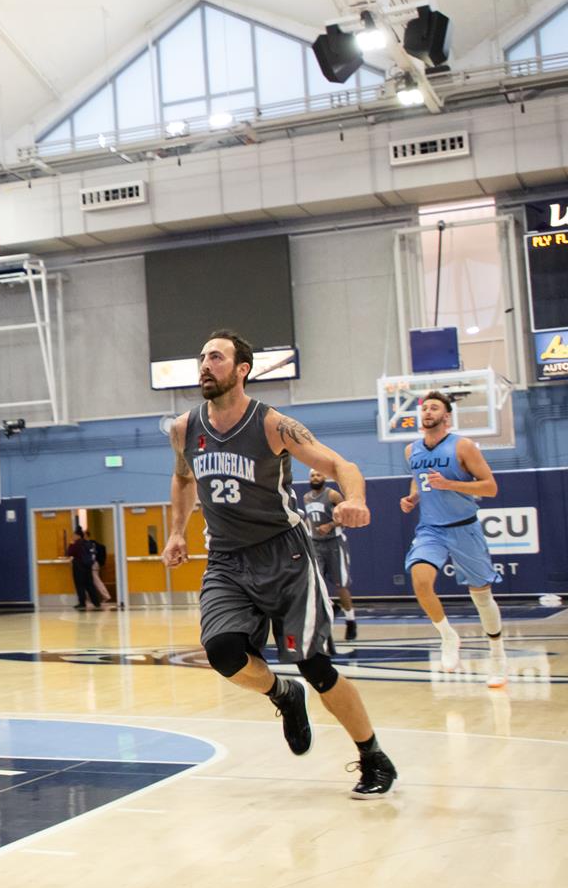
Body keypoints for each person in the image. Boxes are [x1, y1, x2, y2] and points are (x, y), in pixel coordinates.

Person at [162, 330, 398, 799]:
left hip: (284, 555)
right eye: (202, 357)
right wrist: (175, 531)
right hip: (227, 559)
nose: (205, 365)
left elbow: (340, 464)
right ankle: (282, 695)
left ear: (241, 369)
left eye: (216, 357)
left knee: (315, 665)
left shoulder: (273, 425)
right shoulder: (184, 428)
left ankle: (373, 756)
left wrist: (355, 499)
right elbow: (183, 477)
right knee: (223, 654)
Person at [400, 390, 506, 685]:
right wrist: (412, 498)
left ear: (446, 416)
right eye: (425, 408)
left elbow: (490, 488)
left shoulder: (463, 446)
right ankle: (448, 636)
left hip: (464, 527)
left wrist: (450, 484)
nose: (427, 412)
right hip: (431, 528)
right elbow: (418, 480)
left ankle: (497, 654)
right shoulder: (412, 451)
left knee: (481, 595)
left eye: (434, 408)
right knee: (420, 581)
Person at [302, 470, 357, 649]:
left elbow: (346, 516)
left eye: (318, 475)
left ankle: (350, 621)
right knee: (317, 586)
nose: (315, 478)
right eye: (312, 476)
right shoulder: (306, 498)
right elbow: (310, 520)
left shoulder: (332, 495)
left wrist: (330, 525)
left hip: (335, 543)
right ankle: (325, 628)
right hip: (316, 545)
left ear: (324, 478)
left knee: (341, 585)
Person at [69, 526, 104, 611]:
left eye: (74, 535)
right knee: (90, 585)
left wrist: (71, 544)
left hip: (78, 567)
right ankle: (96, 602)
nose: (73, 536)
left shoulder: (76, 544)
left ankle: (82, 603)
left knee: (80, 585)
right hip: (88, 567)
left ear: (78, 536)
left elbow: (70, 552)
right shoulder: (88, 543)